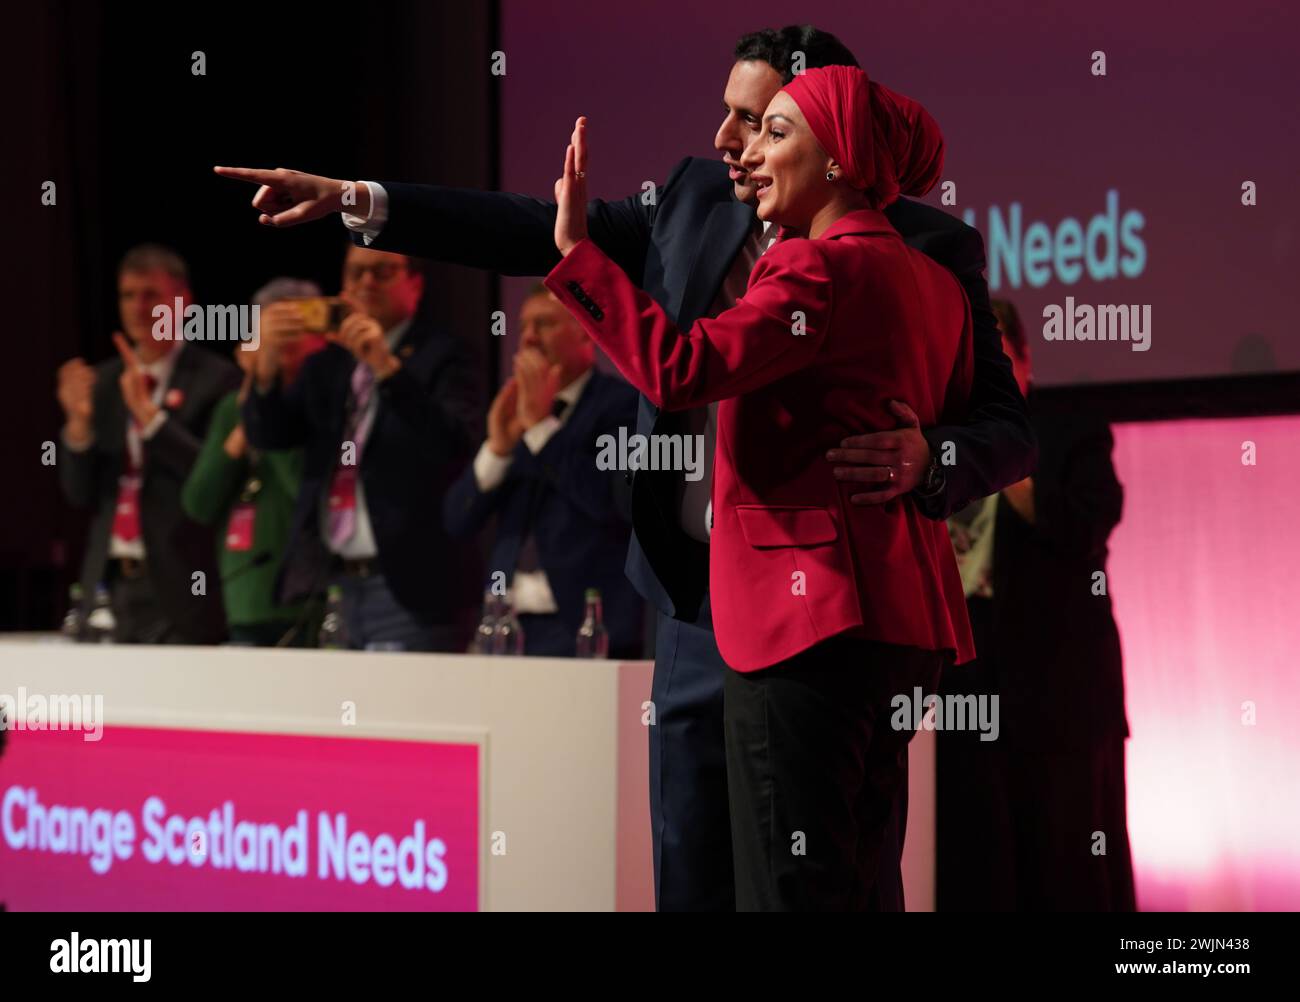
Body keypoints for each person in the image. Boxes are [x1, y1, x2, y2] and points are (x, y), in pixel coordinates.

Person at [215, 24, 1035, 911]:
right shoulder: (692, 202)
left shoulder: (922, 247)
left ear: (830, 128)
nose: (730, 141)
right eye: (730, 116)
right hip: (694, 603)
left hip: (826, 612)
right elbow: (530, 229)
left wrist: (931, 456)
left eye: (760, 121)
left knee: (820, 875)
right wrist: (360, 200)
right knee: (700, 869)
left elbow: (1006, 429)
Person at [546, 66, 974, 910]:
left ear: (839, 159)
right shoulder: (938, 284)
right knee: (861, 885)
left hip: (805, 627)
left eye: (777, 133)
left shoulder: (811, 268)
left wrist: (577, 259)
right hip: (906, 623)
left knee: (789, 886)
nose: (746, 153)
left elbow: (680, 370)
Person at [937, 299, 1135, 911]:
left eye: (994, 364)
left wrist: (1005, 458)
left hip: (1059, 692)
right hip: (964, 682)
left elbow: (1085, 527)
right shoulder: (941, 438)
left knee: (1068, 866)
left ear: (1024, 358)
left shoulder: (1071, 423)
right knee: (975, 865)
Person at [242, 245, 483, 652]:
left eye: (383, 271)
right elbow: (271, 437)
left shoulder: (446, 355)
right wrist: (265, 373)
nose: (367, 282)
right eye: (356, 272)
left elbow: (454, 447)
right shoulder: (329, 364)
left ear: (415, 284)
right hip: (334, 584)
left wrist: (386, 369)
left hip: (412, 588)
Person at [443, 285, 642, 658]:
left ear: (587, 332)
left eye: (545, 324)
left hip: (584, 627)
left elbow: (611, 502)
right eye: (523, 327)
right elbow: (458, 520)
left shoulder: (623, 405)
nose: (529, 338)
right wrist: (497, 448)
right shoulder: (514, 411)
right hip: (506, 624)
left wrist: (541, 429)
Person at [56, 244, 240, 643]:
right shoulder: (104, 382)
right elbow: (79, 495)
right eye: (128, 295)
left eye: (151, 295)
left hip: (183, 589)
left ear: (184, 302)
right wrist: (78, 428)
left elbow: (213, 480)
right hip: (110, 585)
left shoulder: (217, 379)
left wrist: (150, 419)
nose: (138, 308)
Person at [181, 278, 324, 646]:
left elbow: (306, 493)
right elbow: (198, 504)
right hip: (244, 597)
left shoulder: (324, 399)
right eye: (273, 331)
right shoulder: (232, 408)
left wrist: (266, 420)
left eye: (294, 329)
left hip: (307, 602)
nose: (283, 342)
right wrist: (246, 423)